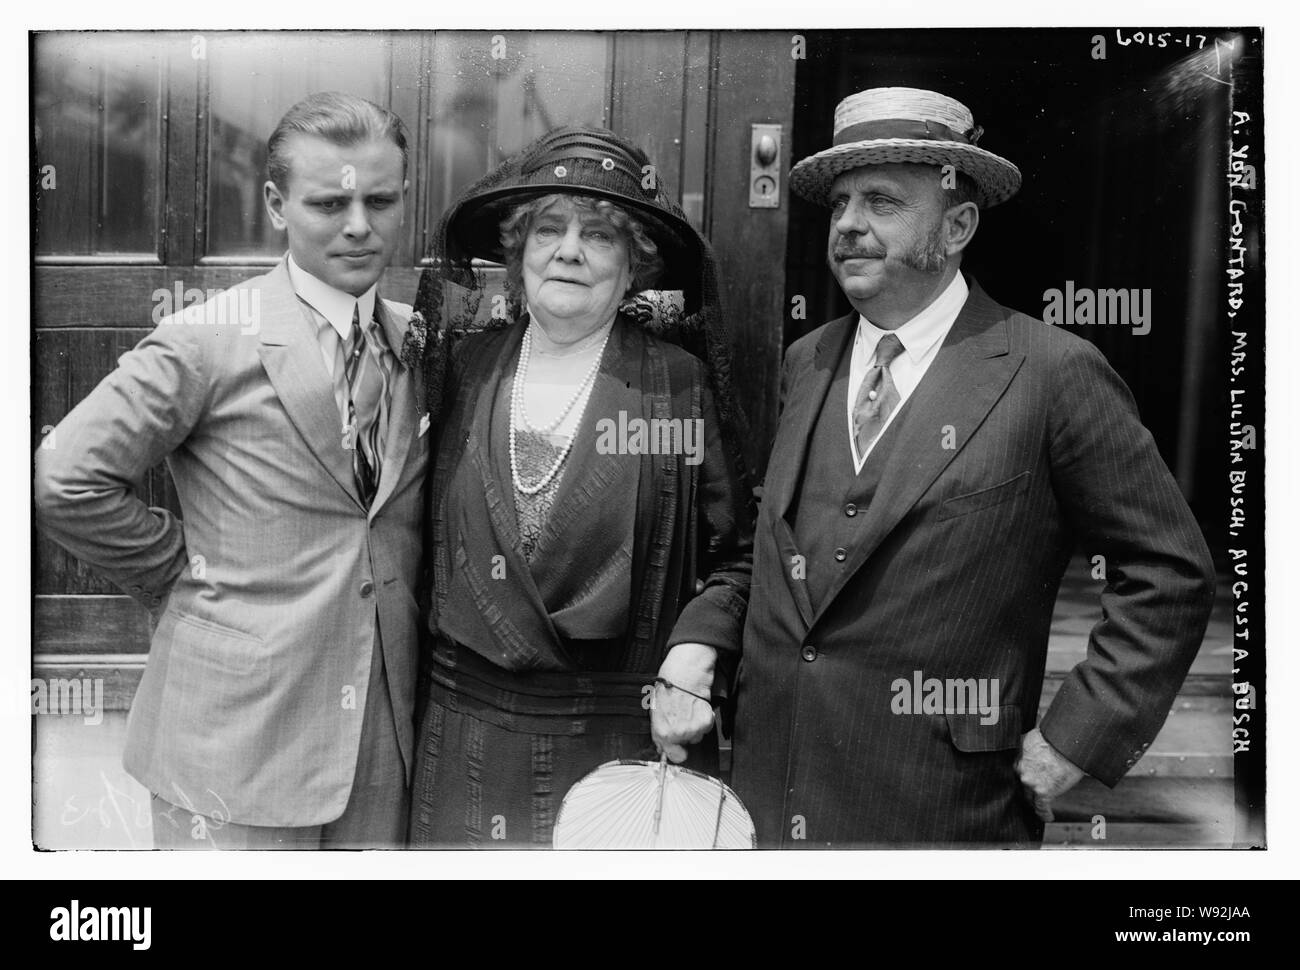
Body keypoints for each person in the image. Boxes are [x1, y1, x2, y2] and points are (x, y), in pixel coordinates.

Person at [729, 87, 1216, 847]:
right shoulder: (807, 360)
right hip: (771, 791)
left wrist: (1072, 741)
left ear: (957, 225)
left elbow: (1169, 571)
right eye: (840, 203)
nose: (850, 225)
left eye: (883, 202)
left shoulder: (1051, 370)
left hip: (946, 813)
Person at [34, 92, 426, 848]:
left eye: (379, 200)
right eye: (329, 202)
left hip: (380, 743)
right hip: (231, 743)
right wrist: (178, 572)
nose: (357, 224)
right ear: (276, 205)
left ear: (403, 198)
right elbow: (61, 479)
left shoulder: (418, 341)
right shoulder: (204, 339)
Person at [403, 126, 752, 847]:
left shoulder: (675, 387)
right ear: (517, 253)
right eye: (549, 230)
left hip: (614, 746)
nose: (569, 249)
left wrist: (696, 651)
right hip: (464, 742)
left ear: (634, 271)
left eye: (599, 235)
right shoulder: (461, 370)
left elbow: (741, 553)